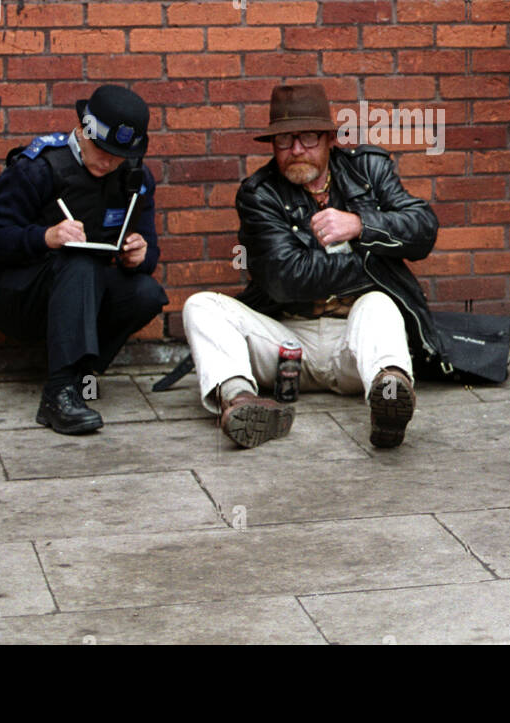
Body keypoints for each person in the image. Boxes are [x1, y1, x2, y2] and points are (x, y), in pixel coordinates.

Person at [181, 82, 442, 450]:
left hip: (356, 346)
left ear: (329, 139)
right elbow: (286, 280)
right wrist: (372, 258)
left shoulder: (368, 169)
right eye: (284, 140)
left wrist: (361, 226)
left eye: (307, 137)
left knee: (380, 304)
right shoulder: (260, 194)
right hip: (288, 348)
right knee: (201, 306)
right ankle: (240, 402)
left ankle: (388, 393)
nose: (296, 150)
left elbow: (424, 230)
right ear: (273, 146)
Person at [0, 85, 167, 435]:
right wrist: (45, 237)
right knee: (78, 264)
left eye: (118, 155)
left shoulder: (135, 178)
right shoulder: (39, 167)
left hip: (84, 294)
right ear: (82, 130)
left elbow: (150, 251)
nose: (108, 161)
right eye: (102, 149)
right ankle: (58, 394)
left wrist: (137, 256)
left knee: (146, 292)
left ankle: (80, 376)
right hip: (21, 294)